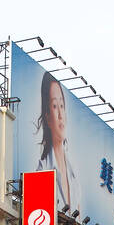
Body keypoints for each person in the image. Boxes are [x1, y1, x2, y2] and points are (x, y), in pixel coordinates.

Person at [35, 71, 79, 211]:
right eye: (55, 106)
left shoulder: (73, 174)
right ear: (47, 116)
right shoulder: (42, 173)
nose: (60, 114)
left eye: (62, 106)